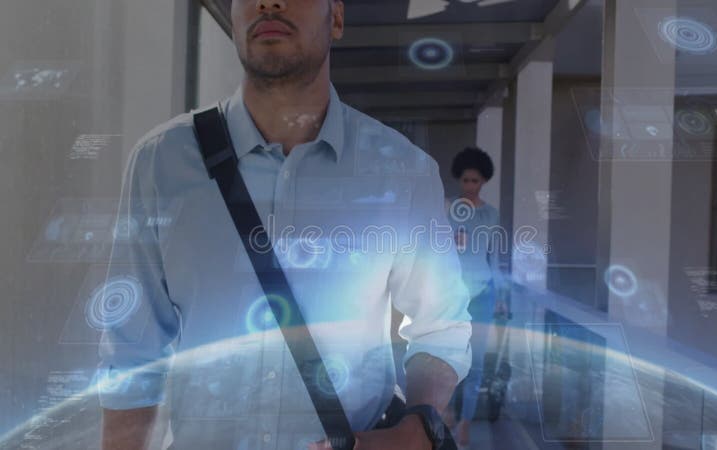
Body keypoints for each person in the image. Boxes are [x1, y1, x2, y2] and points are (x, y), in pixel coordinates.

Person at [98, 1, 471, 449]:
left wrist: (417, 428)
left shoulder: (403, 172)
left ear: (335, 17)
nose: (268, 2)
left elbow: (440, 325)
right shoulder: (162, 164)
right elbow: (133, 352)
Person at [445, 147, 507, 449]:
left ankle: (466, 421)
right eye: (466, 180)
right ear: (459, 179)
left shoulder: (491, 214)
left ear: (483, 181)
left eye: (475, 181)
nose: (470, 186)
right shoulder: (450, 210)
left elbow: (493, 257)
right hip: (454, 294)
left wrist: (500, 296)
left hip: (483, 292)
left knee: (477, 361)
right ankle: (452, 412)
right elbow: (440, 254)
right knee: (452, 356)